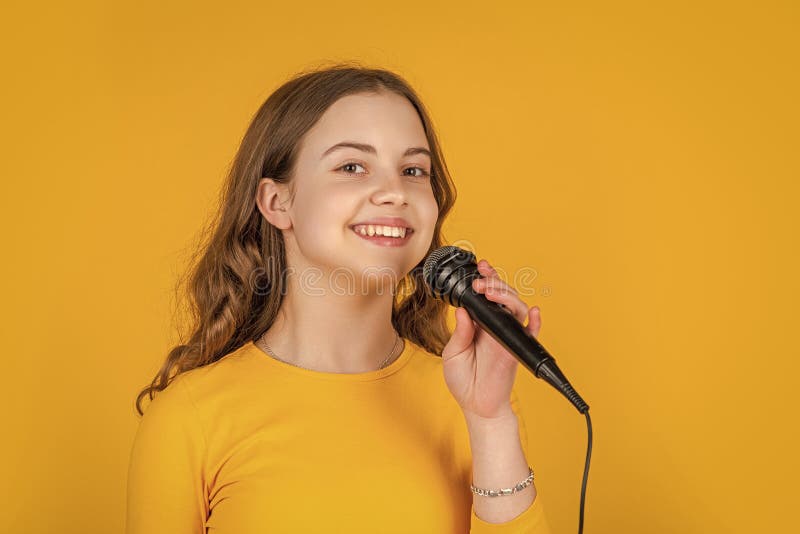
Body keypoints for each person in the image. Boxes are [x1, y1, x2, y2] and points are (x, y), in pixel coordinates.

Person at [126, 62, 553, 533]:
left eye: (414, 170)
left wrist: (490, 423)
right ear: (277, 202)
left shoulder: (471, 403)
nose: (394, 192)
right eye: (352, 166)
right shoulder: (190, 418)